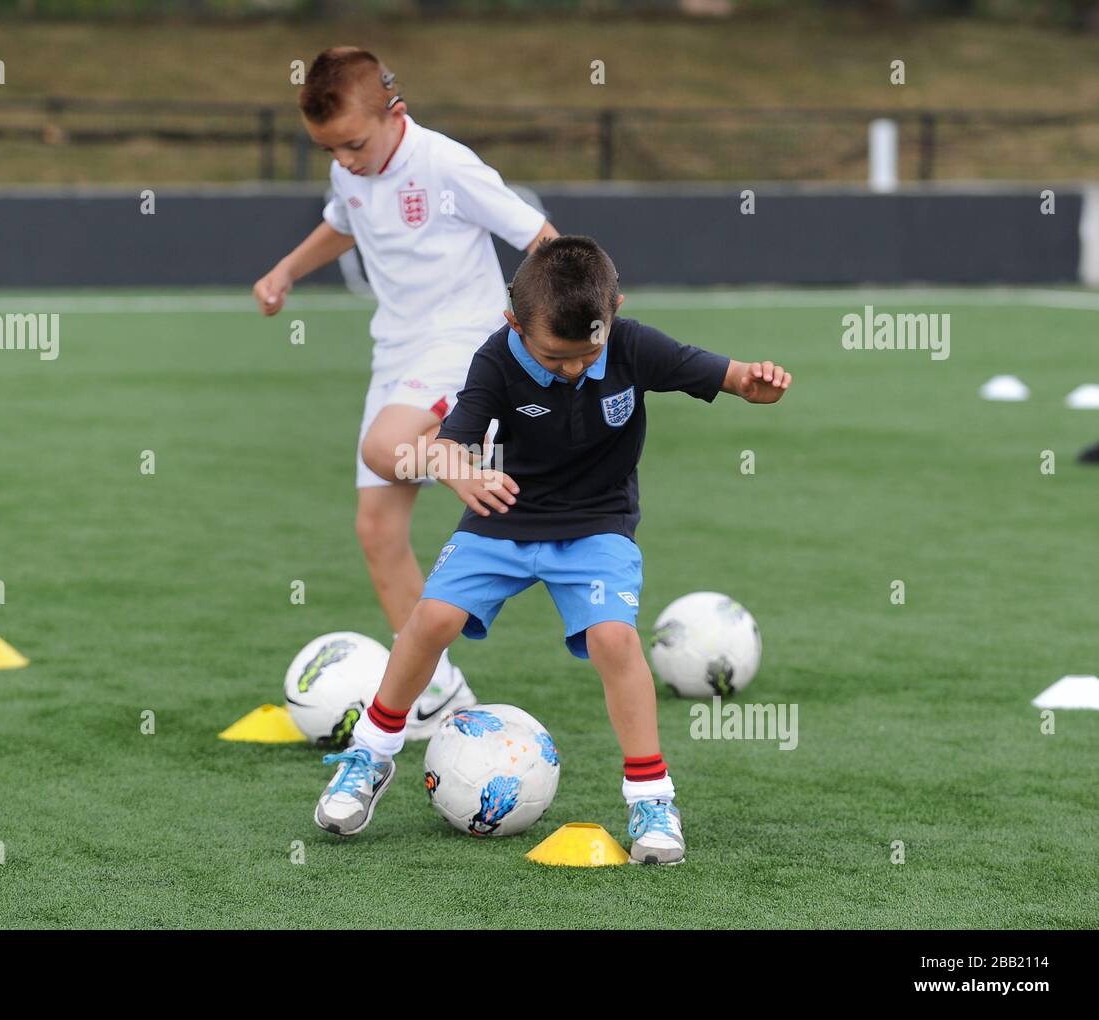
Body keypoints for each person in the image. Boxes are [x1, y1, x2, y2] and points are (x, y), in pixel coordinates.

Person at [313, 236, 793, 864]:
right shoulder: (495, 358)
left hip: (597, 526)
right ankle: (369, 756)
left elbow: (729, 375)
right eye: (553, 357)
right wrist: (459, 472)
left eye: (585, 352)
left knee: (615, 640)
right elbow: (451, 440)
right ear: (514, 323)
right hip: (503, 516)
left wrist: (756, 383)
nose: (571, 368)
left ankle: (652, 797)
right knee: (431, 619)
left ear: (613, 311)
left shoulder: (632, 344)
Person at [254, 47, 559, 737]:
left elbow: (537, 237)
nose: (347, 160)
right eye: (330, 150)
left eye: (354, 144)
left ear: (395, 113)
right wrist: (286, 271)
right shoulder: (350, 167)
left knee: (388, 446)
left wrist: (580, 312)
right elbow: (342, 220)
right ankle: (442, 692)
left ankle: (456, 461)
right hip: (395, 352)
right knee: (378, 530)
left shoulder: (446, 165)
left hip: (464, 343)